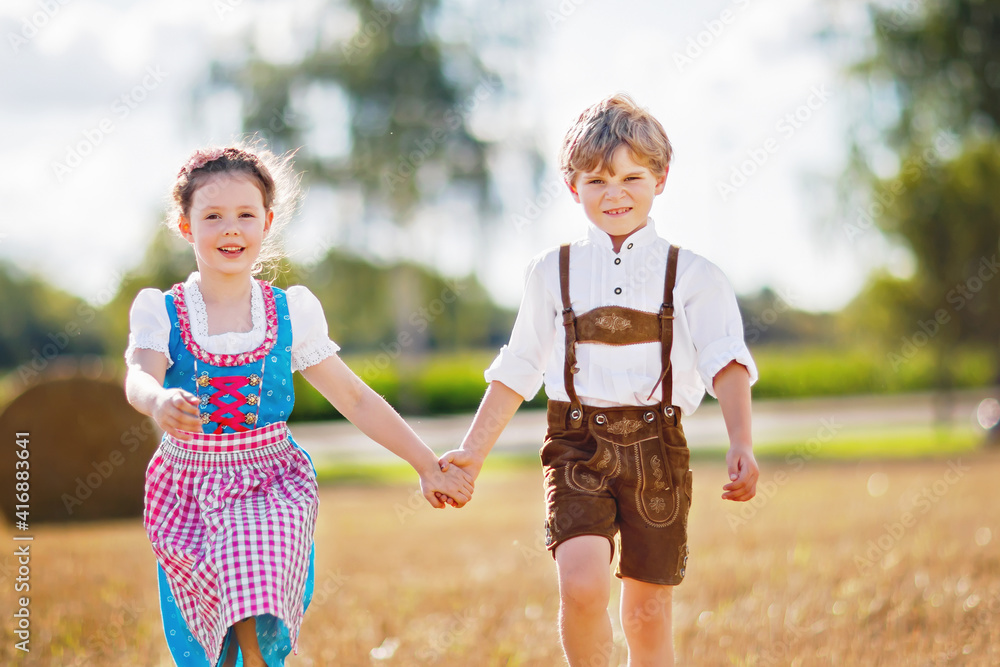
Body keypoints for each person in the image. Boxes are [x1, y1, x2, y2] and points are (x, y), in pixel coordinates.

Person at [124, 143, 473, 667]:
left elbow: (354, 396)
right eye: (212, 216)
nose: (230, 229)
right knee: (205, 640)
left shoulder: (290, 312)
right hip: (188, 483)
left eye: (245, 215)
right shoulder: (162, 311)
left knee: (252, 582)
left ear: (267, 222)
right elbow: (138, 376)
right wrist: (158, 400)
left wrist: (426, 464)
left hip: (269, 479)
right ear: (184, 225)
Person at [440, 94, 759, 666]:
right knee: (582, 585)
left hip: (658, 448)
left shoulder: (693, 274)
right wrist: (472, 453)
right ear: (572, 187)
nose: (615, 194)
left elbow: (726, 361)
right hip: (577, 445)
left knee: (646, 613)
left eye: (632, 177)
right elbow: (518, 368)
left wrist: (742, 442)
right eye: (597, 180)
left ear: (661, 179)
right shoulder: (550, 271)